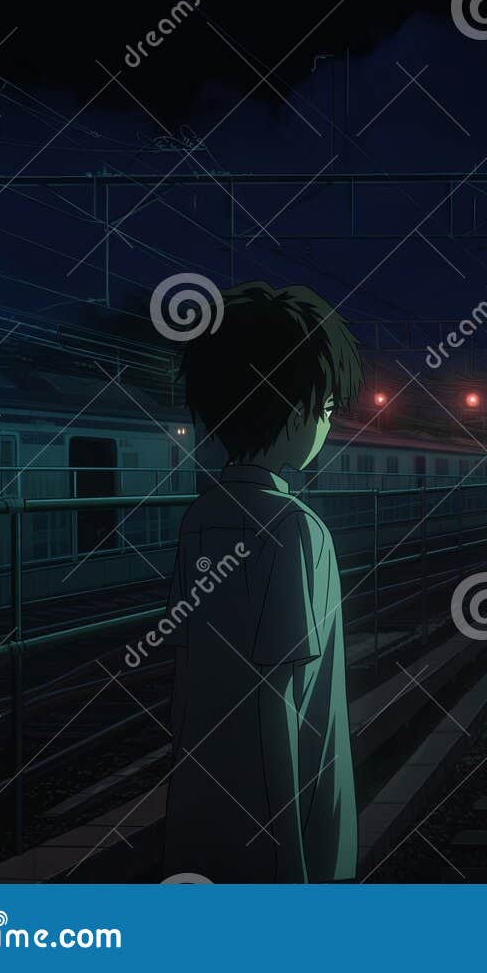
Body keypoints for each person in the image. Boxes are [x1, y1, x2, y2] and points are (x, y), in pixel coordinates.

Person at [161, 282, 362, 882]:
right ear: (294, 408)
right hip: (285, 822)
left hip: (203, 800)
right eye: (326, 409)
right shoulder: (298, 529)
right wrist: (291, 863)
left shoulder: (201, 517)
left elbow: (194, 674)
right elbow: (281, 704)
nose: (328, 426)